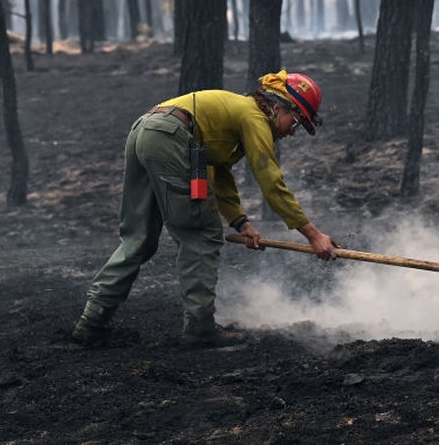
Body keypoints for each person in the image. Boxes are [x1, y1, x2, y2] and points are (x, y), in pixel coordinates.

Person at [71, 70, 338, 348]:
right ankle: (200, 329)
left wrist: (241, 223)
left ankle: (92, 320)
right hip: (170, 137)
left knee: (139, 238)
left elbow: (219, 171)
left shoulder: (236, 113)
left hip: (146, 129)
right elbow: (271, 182)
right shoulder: (255, 118)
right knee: (201, 234)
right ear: (278, 106)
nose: (290, 133)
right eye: (294, 123)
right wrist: (314, 235)